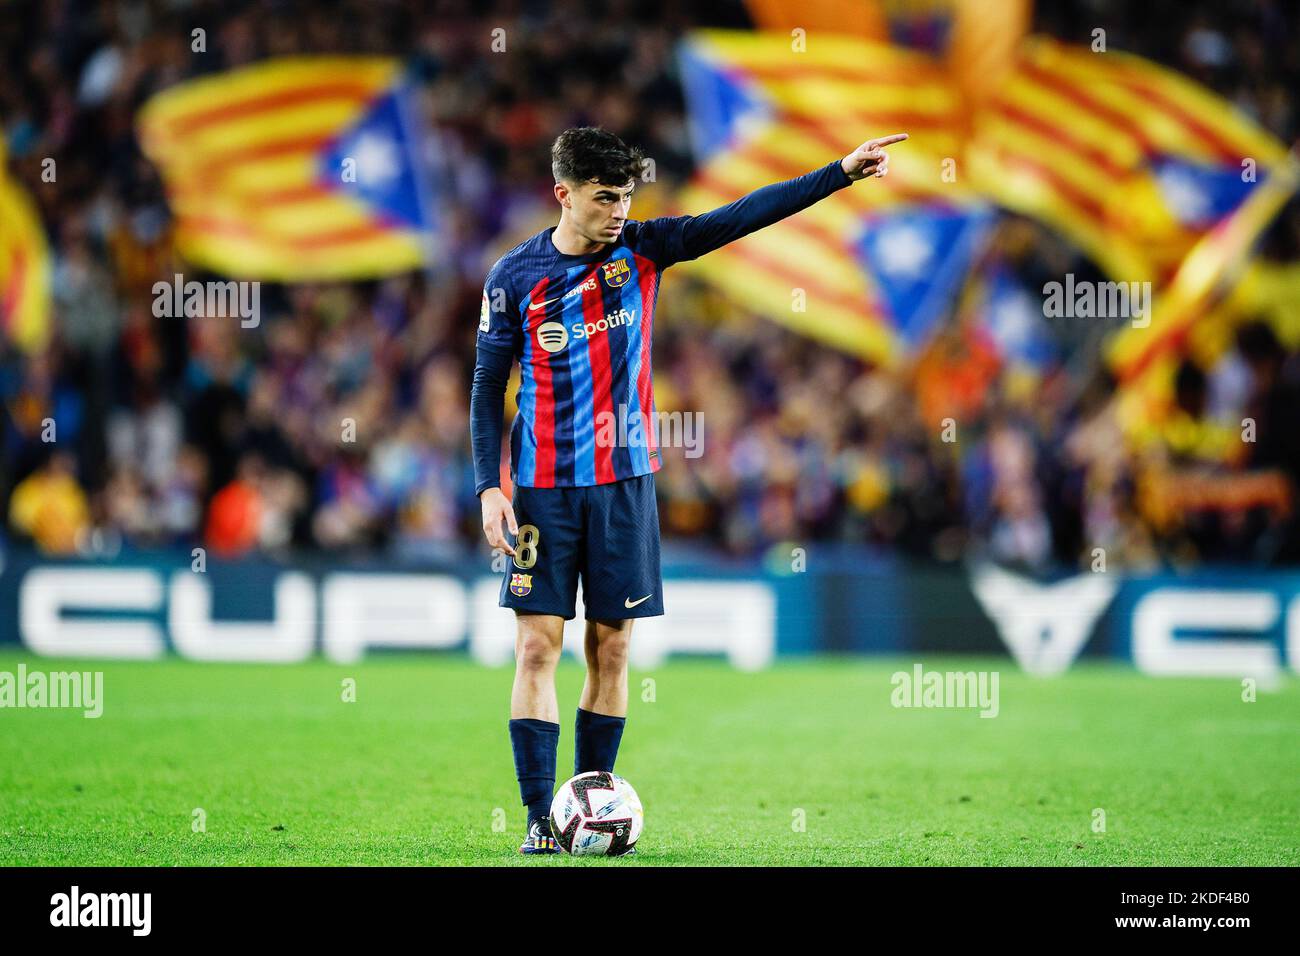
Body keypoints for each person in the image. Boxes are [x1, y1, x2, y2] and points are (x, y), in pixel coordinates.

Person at [470, 125, 907, 854]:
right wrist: (491, 487)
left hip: (624, 486)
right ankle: (538, 821)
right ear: (564, 195)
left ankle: (593, 805)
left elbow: (741, 216)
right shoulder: (514, 278)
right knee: (536, 650)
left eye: (626, 197)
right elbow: (487, 389)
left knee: (610, 651)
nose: (618, 211)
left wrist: (839, 172)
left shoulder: (645, 248)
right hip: (543, 490)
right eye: (605, 198)